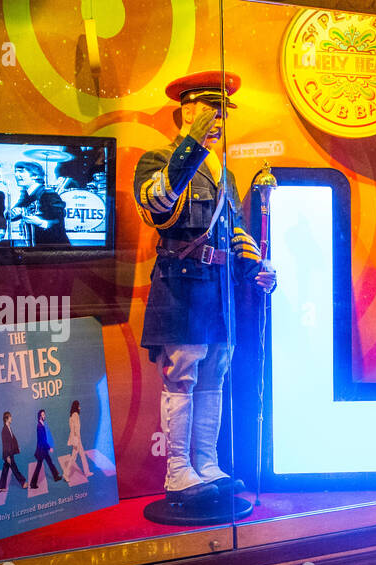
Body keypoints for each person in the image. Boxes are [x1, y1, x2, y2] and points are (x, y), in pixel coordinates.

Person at [133, 71, 277, 512]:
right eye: (212, 111)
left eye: (224, 113)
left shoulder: (223, 173)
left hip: (219, 287)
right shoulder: (157, 159)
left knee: (215, 370)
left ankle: (207, 465)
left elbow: (233, 230)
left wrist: (256, 264)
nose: (220, 121)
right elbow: (157, 204)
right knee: (183, 372)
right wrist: (191, 147)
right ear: (188, 110)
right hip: (182, 283)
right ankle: (178, 472)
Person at [10, 161, 70, 246]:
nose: (16, 174)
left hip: (53, 248)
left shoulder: (48, 194)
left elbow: (58, 221)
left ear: (35, 176)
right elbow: (12, 216)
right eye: (15, 171)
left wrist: (41, 222)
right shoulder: (26, 195)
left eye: (21, 171)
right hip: (35, 247)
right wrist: (13, 212)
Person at [29, 408, 63, 488]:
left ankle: (56, 477)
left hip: (43, 449)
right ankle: (33, 483)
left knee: (49, 462)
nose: (45, 416)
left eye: (44, 414)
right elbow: (42, 440)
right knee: (39, 465)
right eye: (43, 414)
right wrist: (49, 447)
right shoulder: (40, 426)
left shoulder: (42, 424)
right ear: (40, 417)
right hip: (41, 449)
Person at [0, 411, 27, 492]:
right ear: (7, 419)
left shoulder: (9, 428)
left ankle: (2, 486)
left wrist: (17, 448)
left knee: (5, 469)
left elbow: (13, 440)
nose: (11, 418)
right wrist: (7, 456)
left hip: (10, 452)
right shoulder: (4, 430)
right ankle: (23, 482)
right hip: (8, 454)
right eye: (10, 417)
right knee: (14, 468)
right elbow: (5, 444)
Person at [63, 399, 93, 479]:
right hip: (77, 439)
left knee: (81, 455)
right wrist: (78, 438)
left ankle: (87, 472)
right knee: (74, 457)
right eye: (79, 406)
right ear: (76, 406)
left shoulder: (71, 416)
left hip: (74, 438)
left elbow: (72, 428)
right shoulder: (75, 415)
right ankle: (66, 474)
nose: (80, 407)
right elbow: (76, 428)